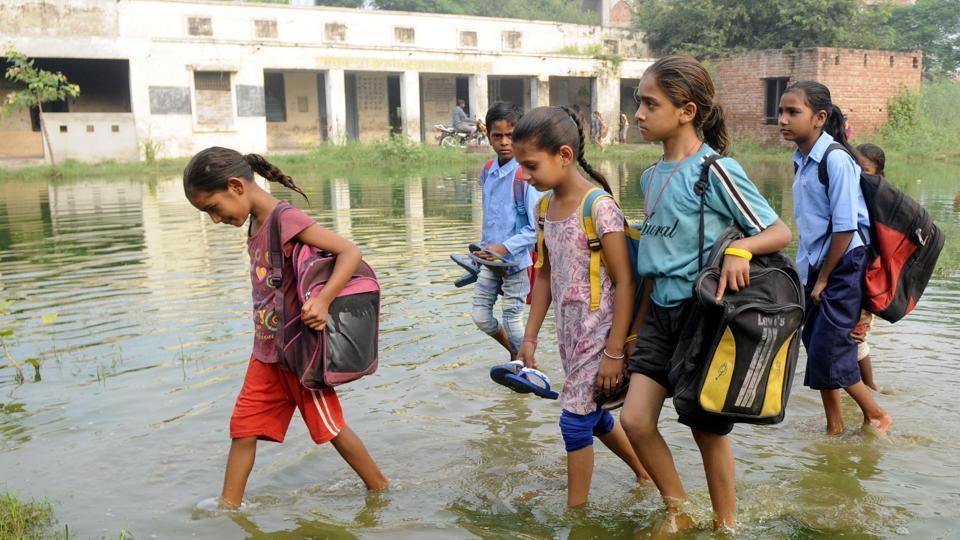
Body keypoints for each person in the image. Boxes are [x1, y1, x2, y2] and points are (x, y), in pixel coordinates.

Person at [620, 55, 792, 532]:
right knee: (635, 421)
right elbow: (651, 264)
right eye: (639, 103)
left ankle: (726, 525)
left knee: (706, 429)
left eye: (649, 104)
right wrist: (631, 336)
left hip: (704, 316)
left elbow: (777, 231)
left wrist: (740, 249)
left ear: (686, 110)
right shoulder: (650, 176)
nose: (638, 114)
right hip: (658, 314)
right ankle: (679, 510)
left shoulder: (715, 170)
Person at [182, 147, 388, 509]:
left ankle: (380, 489)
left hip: (298, 356)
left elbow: (349, 252)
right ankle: (227, 511)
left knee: (331, 429)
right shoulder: (255, 222)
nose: (215, 219)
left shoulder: (285, 219)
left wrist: (323, 302)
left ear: (235, 186)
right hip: (265, 356)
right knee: (243, 429)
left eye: (213, 208)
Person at [512, 106, 651, 508]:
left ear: (564, 156)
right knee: (592, 412)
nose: (524, 175)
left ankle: (577, 516)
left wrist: (614, 351)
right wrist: (530, 338)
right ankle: (644, 473)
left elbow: (625, 282)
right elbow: (544, 277)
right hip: (570, 333)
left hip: (600, 332)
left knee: (574, 421)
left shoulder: (599, 207)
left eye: (531, 165)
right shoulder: (543, 210)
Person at [778, 81, 893, 435]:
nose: (783, 119)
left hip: (842, 264)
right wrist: (806, 274)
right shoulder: (801, 160)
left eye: (793, 112)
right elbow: (812, 226)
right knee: (815, 344)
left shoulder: (836, 160)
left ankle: (876, 414)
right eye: (781, 111)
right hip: (817, 264)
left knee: (830, 347)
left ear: (819, 118)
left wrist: (825, 279)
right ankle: (835, 426)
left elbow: (844, 227)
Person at [471, 102, 543, 358]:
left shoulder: (525, 175)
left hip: (515, 263)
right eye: (497, 135)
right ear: (488, 136)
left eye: (510, 136)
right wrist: (481, 252)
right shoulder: (488, 170)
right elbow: (489, 218)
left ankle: (531, 367)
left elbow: (536, 228)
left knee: (513, 318)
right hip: (489, 262)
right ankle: (515, 353)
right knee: (480, 316)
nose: (504, 142)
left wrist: (504, 248)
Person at [853, 143, 886, 391]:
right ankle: (869, 389)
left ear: (879, 176)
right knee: (853, 338)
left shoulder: (881, 206)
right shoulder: (852, 197)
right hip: (852, 276)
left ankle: (871, 388)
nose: (859, 175)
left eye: (865, 170)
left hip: (867, 280)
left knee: (857, 336)